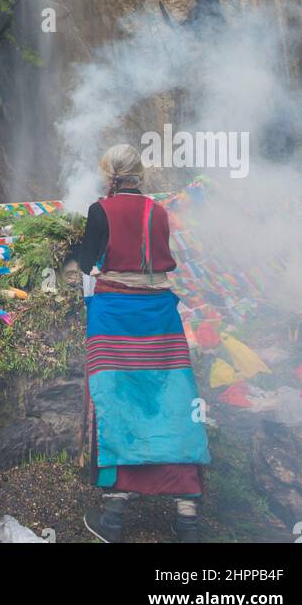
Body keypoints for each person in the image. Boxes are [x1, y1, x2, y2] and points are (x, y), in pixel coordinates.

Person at [76, 144, 209, 544]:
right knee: (172, 396)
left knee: (116, 397)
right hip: (158, 314)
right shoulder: (159, 212)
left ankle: (114, 515)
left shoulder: (100, 210)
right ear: (139, 174)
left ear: (110, 175)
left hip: (115, 315)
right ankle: (187, 518)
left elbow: (86, 262)